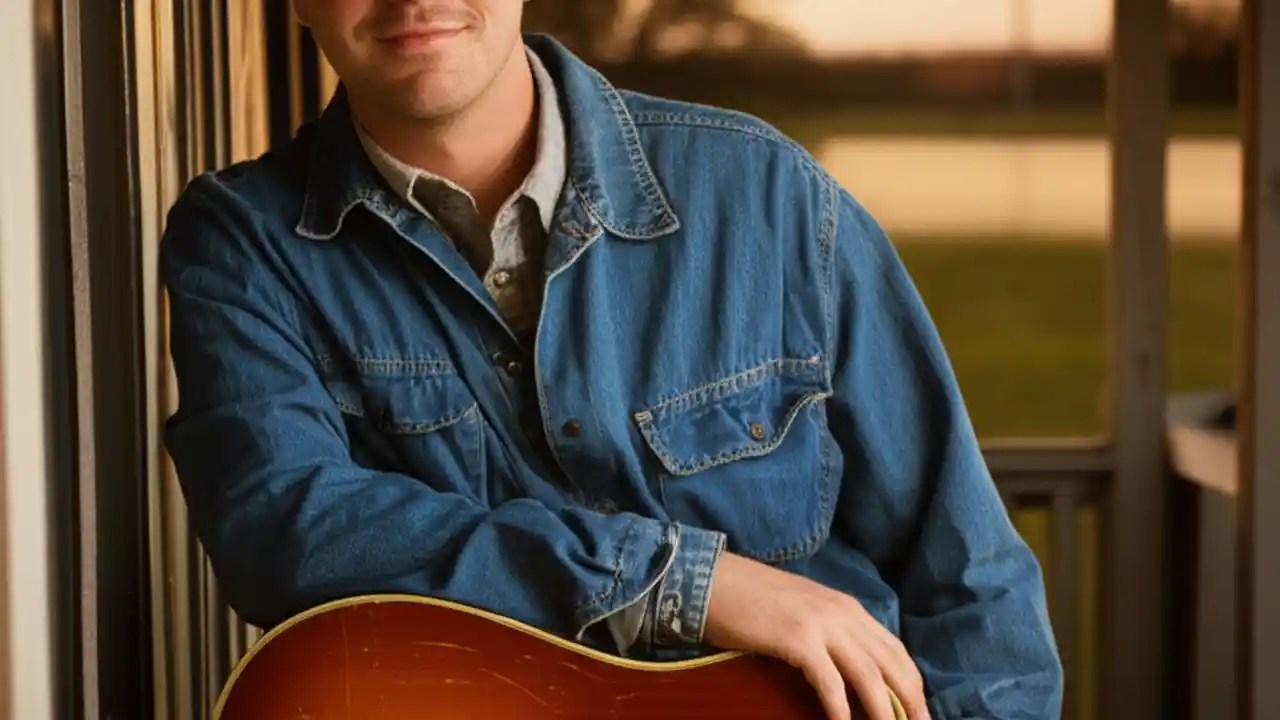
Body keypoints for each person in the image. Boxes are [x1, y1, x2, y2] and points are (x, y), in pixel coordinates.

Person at [160, 2, 1063, 719]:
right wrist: (687, 584)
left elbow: (970, 576)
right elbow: (283, 527)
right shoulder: (242, 243)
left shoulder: (769, 197)